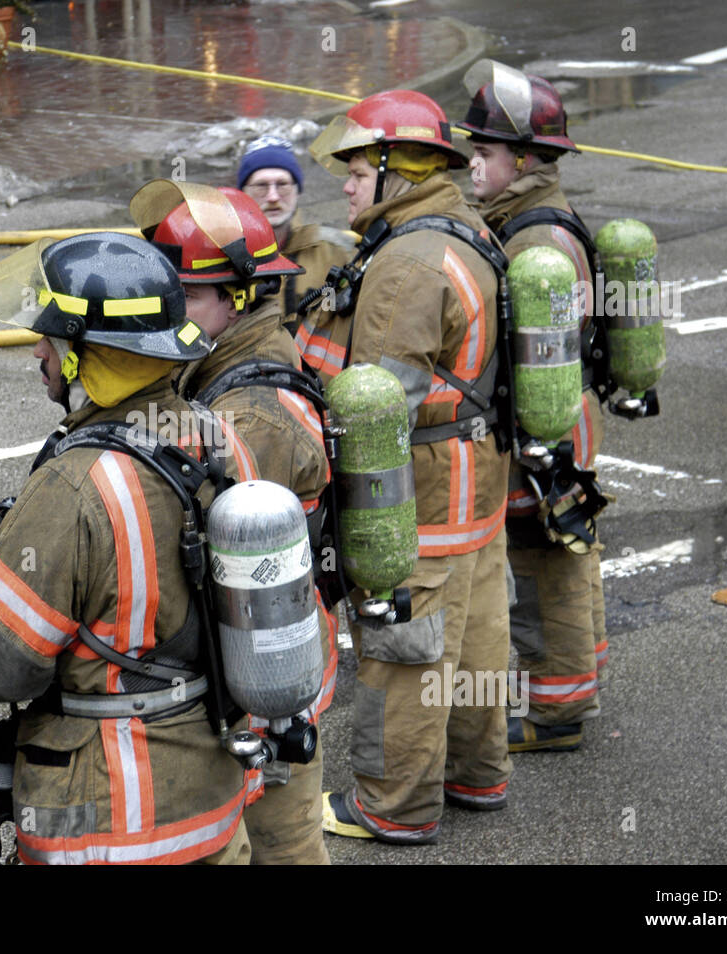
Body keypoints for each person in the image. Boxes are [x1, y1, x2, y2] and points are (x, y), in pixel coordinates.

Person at [0, 233, 259, 865]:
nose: (38, 350)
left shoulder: (73, 485)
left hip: (115, 823)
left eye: (51, 339)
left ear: (83, 356)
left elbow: (1, 664)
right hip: (215, 804)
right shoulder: (221, 439)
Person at [299, 89, 512, 844]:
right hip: (479, 481)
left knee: (407, 649)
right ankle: (476, 773)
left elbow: (374, 410)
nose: (346, 186)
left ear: (396, 166)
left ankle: (393, 805)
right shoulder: (463, 230)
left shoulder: (406, 265)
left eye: (356, 170)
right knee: (479, 634)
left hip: (420, 494)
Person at [131, 179, 336, 864]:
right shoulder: (227, 367)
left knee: (283, 841)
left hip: (268, 671)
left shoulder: (253, 411)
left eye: (186, 296)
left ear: (240, 297)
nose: (171, 312)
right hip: (260, 658)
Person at [457, 61, 608, 751]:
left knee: (548, 563)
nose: (471, 165)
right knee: (563, 555)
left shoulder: (534, 240)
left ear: (524, 159)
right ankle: (569, 692)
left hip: (540, 431)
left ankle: (555, 715)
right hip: (555, 421)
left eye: (483, 153)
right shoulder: (533, 221)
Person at [237, 135, 353, 322]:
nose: (273, 196)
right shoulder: (222, 256)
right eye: (261, 186)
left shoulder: (335, 254)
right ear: (243, 193)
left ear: (297, 191)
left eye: (282, 184)